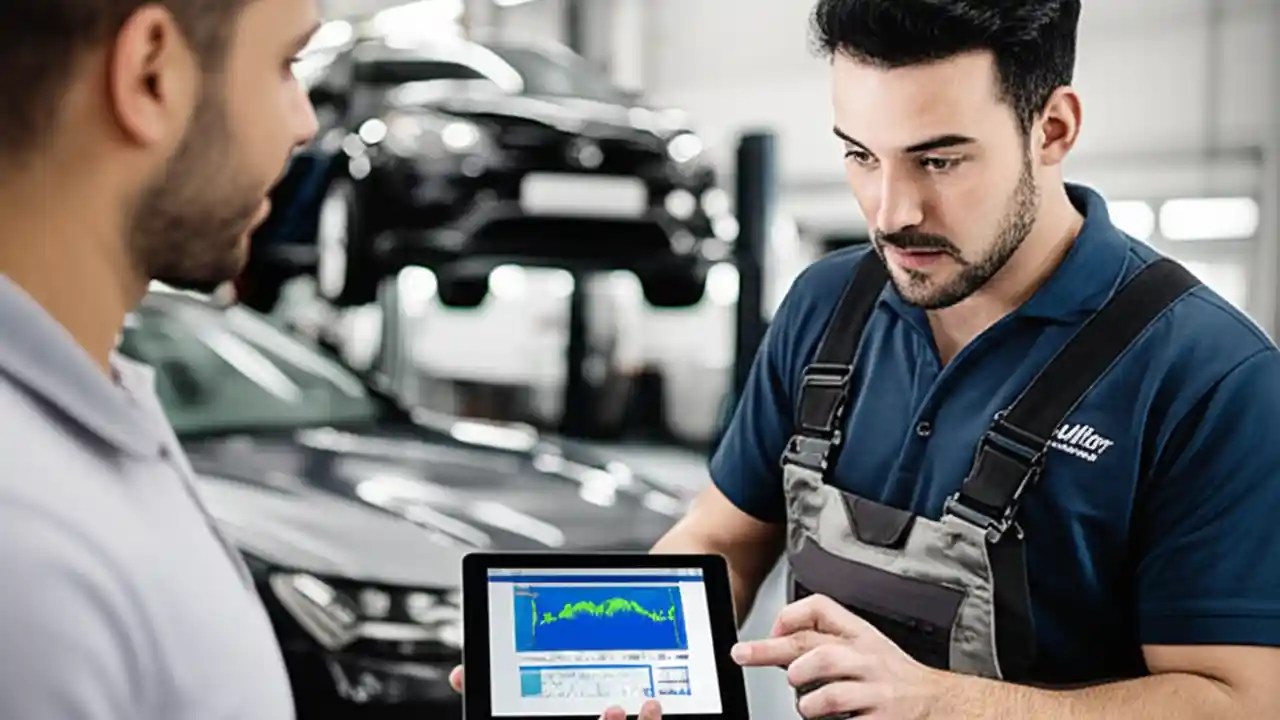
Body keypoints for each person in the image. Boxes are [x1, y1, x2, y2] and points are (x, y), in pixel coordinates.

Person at [453, 0, 1280, 718]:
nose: (891, 212)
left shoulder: (1208, 379)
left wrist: (945, 706)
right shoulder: (827, 307)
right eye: (860, 155)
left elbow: (1241, 698)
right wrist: (609, 667)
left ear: (1052, 128)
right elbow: (722, 535)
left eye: (939, 159)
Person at [0, 0, 320, 717]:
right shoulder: (26, 561)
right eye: (285, 65)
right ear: (151, 73)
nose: (306, 122)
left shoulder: (79, 425)